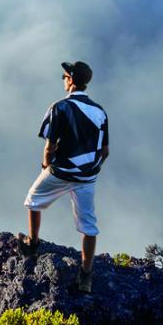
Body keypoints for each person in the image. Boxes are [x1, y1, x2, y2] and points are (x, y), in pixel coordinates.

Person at [19, 60, 109, 293]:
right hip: (87, 177)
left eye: (64, 77)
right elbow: (105, 151)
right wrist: (92, 169)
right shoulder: (99, 112)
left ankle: (32, 243)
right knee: (88, 226)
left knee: (32, 200)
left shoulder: (59, 107)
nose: (63, 80)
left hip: (60, 171)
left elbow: (49, 147)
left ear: (70, 80)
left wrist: (45, 166)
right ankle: (86, 277)